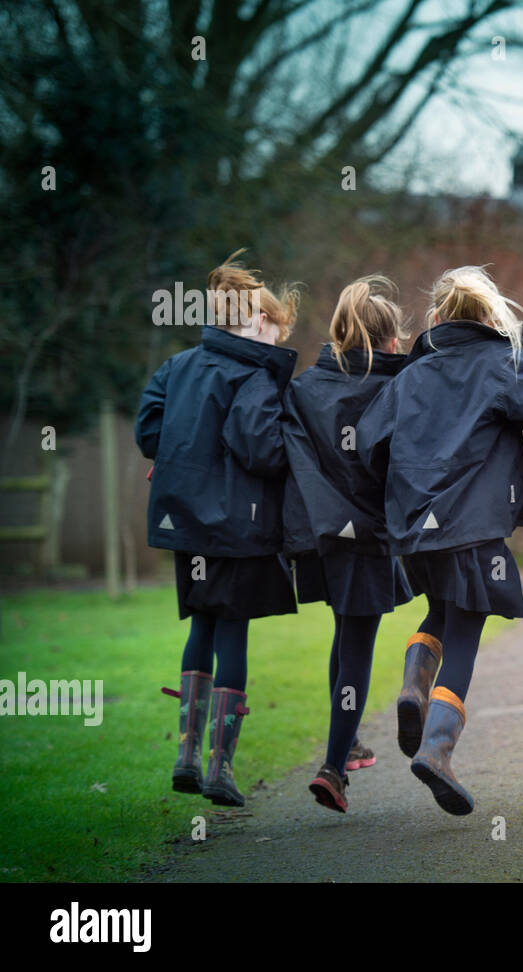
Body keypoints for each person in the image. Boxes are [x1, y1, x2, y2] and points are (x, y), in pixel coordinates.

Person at [357, 266, 523, 815]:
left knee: (441, 613)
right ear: (489, 314)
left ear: (438, 317)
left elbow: (369, 444)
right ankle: (436, 750)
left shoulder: (410, 375)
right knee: (467, 629)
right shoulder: (502, 364)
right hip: (473, 525)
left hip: (414, 529)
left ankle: (411, 689)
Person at [137, 250, 300, 807]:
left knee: (200, 628)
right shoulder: (255, 374)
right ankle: (220, 768)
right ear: (256, 321)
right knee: (233, 632)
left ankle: (184, 754)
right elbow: (260, 449)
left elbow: (149, 434)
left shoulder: (175, 369)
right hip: (239, 527)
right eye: (274, 333)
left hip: (186, 526)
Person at [282, 275, 414, 812]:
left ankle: (348, 736)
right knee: (357, 644)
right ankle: (334, 768)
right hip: (368, 537)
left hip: (322, 536)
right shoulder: (395, 388)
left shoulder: (304, 387)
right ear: (387, 341)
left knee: (345, 634)